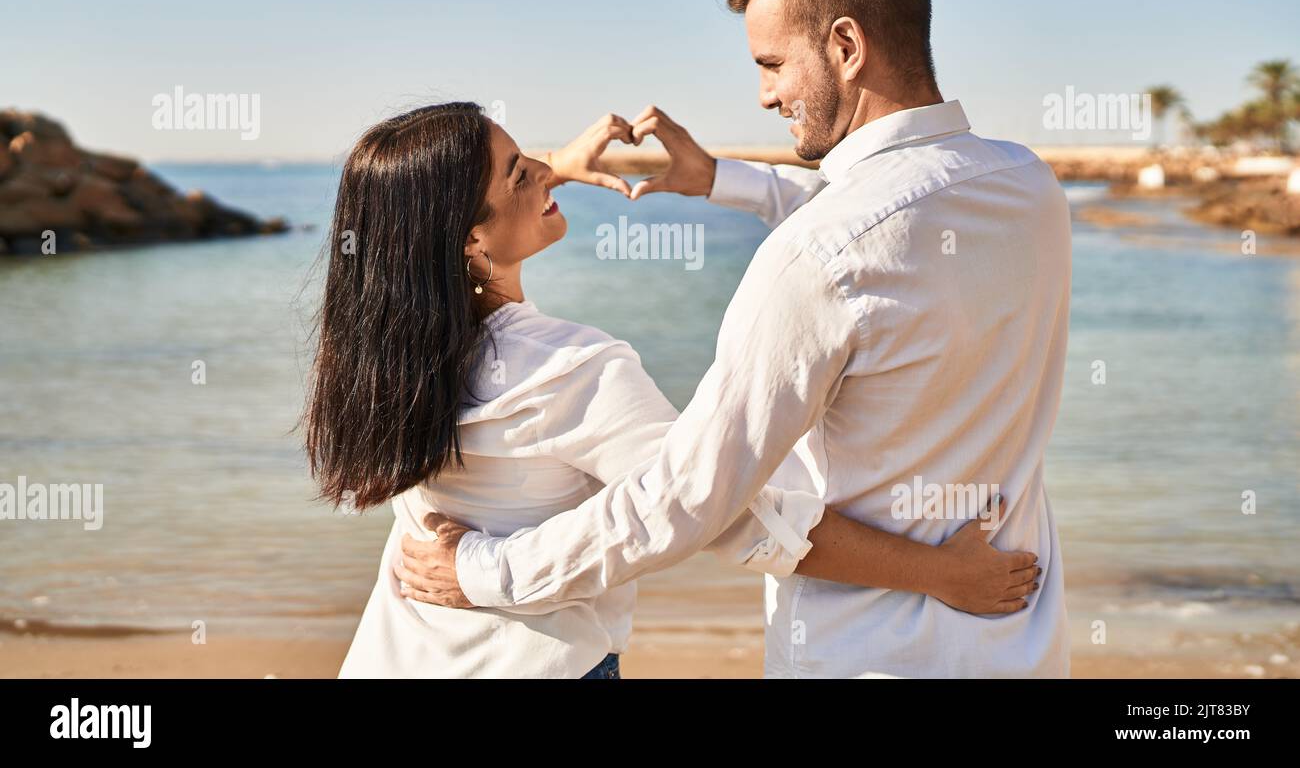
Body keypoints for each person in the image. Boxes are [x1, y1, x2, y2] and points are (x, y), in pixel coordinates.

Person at [395, 0, 1073, 678]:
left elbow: (688, 502)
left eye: (773, 64)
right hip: (1019, 642)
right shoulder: (1027, 188)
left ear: (846, 47)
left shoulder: (815, 259)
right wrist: (723, 181)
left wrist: (484, 573)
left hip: (866, 657)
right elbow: (895, 230)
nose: (762, 94)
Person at [305, 103, 1039, 679]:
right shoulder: (573, 369)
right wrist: (940, 574)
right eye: (519, 173)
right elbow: (724, 515)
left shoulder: (386, 357)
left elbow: (444, 223)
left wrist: (555, 171)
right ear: (469, 238)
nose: (541, 168)